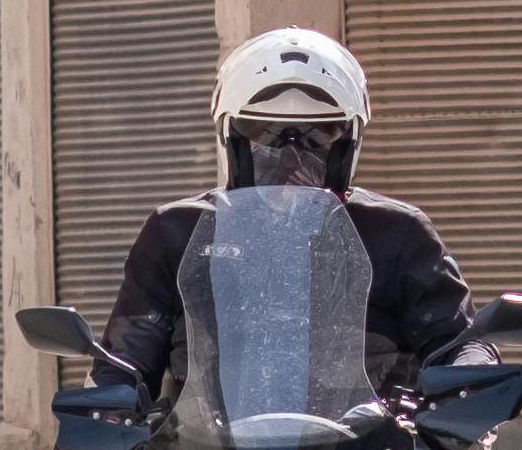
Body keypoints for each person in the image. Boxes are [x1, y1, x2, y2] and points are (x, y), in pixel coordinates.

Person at [92, 24, 474, 409]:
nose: (291, 160)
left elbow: (454, 338)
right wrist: (107, 404)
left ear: (348, 146)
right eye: (266, 138)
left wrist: (472, 371)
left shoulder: (398, 233)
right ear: (233, 142)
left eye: (317, 139)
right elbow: (128, 352)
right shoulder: (177, 233)